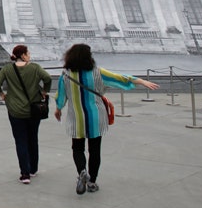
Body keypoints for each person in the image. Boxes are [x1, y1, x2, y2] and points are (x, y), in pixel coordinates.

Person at [54, 44, 159, 194]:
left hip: (76, 117)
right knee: (95, 150)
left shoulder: (65, 74)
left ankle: (82, 171)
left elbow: (61, 95)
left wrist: (58, 109)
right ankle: (92, 181)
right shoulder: (97, 72)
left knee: (77, 148)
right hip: (96, 116)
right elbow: (120, 78)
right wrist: (140, 81)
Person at [0, 44, 52, 184]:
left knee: (20, 140)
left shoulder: (7, 69)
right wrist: (44, 91)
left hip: (15, 109)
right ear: (23, 55)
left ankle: (24, 173)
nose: (29, 55)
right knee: (33, 138)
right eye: (28, 53)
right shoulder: (35, 68)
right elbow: (47, 78)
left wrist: (2, 95)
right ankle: (33, 168)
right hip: (33, 110)